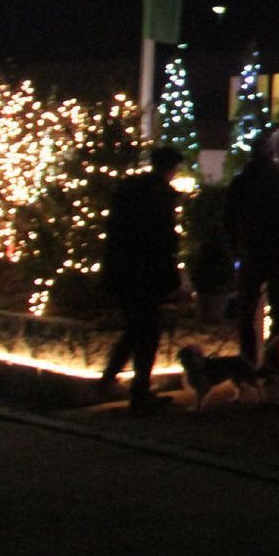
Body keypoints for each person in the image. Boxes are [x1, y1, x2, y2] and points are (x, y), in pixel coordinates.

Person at [99, 146, 185, 412]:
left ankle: (114, 378)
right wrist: (171, 278)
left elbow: (116, 232)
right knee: (146, 332)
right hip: (147, 272)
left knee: (138, 328)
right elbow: (164, 241)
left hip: (126, 270)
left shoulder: (130, 191)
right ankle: (137, 391)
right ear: (170, 168)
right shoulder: (160, 197)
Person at [225, 131, 279, 362]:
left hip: (251, 253)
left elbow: (229, 219)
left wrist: (234, 248)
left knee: (246, 313)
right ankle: (275, 362)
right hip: (277, 253)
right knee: (278, 313)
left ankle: (248, 360)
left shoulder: (241, 183)